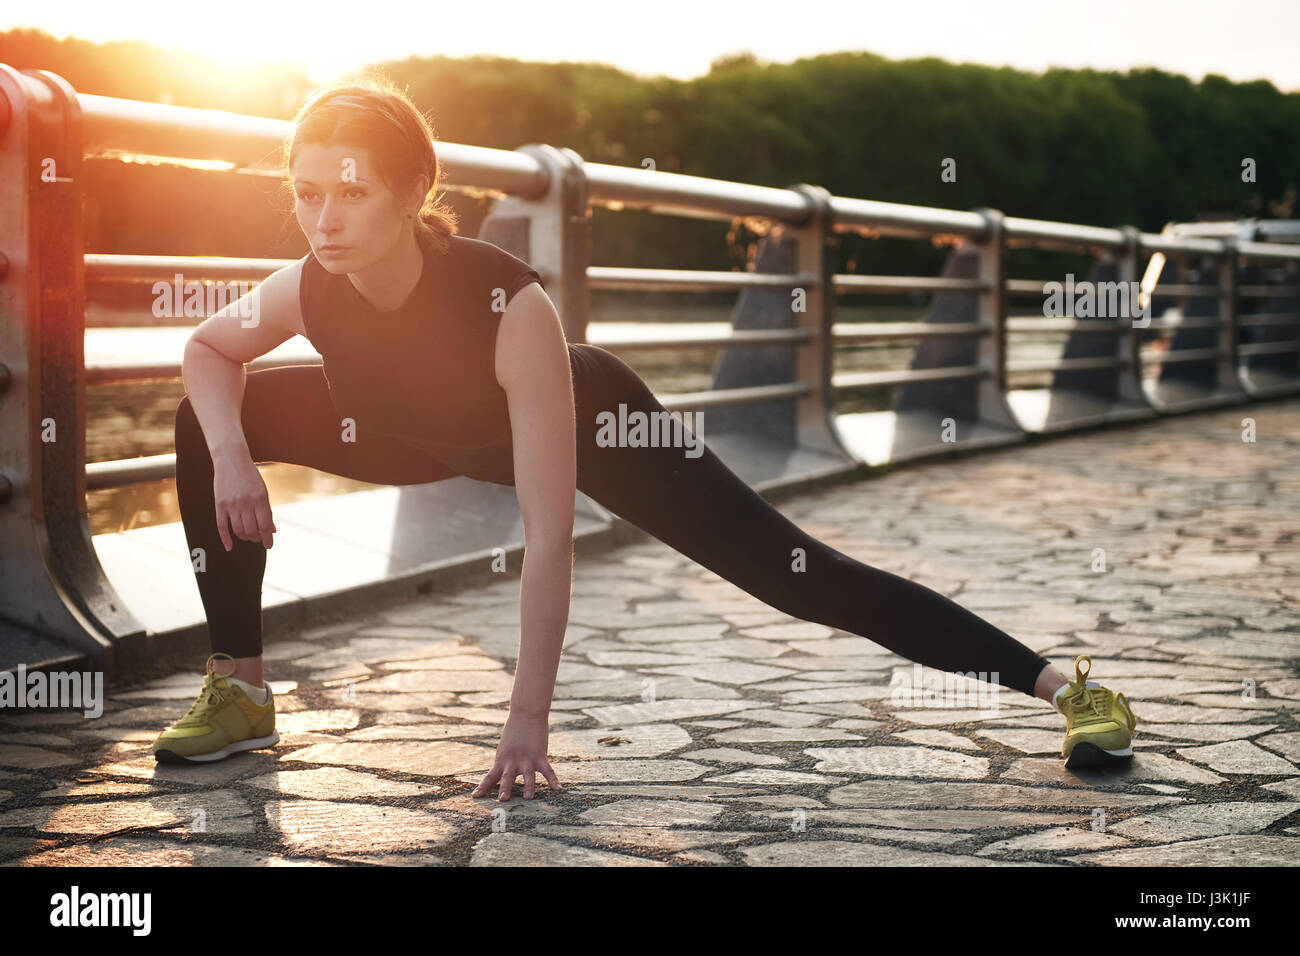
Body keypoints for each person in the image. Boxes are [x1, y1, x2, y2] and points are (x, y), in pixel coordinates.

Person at [151, 74, 1137, 796]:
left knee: (798, 575)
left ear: (415, 192)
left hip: (590, 424)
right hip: (410, 433)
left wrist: (528, 717)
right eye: (307, 189)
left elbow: (546, 532)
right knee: (205, 415)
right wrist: (236, 453)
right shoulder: (311, 281)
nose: (323, 217)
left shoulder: (504, 306)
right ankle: (240, 686)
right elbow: (205, 348)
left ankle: (1067, 688)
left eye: (352, 191)